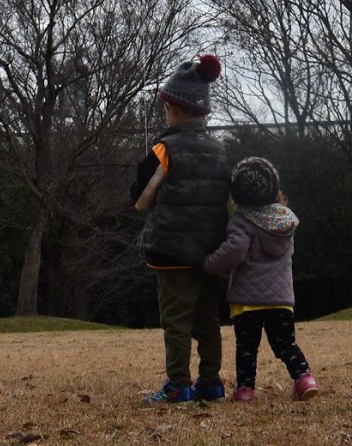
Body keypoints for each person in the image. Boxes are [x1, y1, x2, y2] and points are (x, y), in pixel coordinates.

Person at [130, 53, 229, 404]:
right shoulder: (220, 152)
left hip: (171, 254)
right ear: (202, 112)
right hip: (212, 253)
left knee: (177, 322)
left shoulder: (163, 149)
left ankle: (178, 385)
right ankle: (211, 383)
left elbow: (140, 198)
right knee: (208, 321)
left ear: (171, 108)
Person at [202, 155, 318, 402]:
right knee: (286, 344)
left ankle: (245, 390)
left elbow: (234, 251)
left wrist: (209, 263)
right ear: (274, 188)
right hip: (280, 299)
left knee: (246, 348)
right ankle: (304, 378)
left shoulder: (241, 221)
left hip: (248, 301)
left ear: (238, 194)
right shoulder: (285, 220)